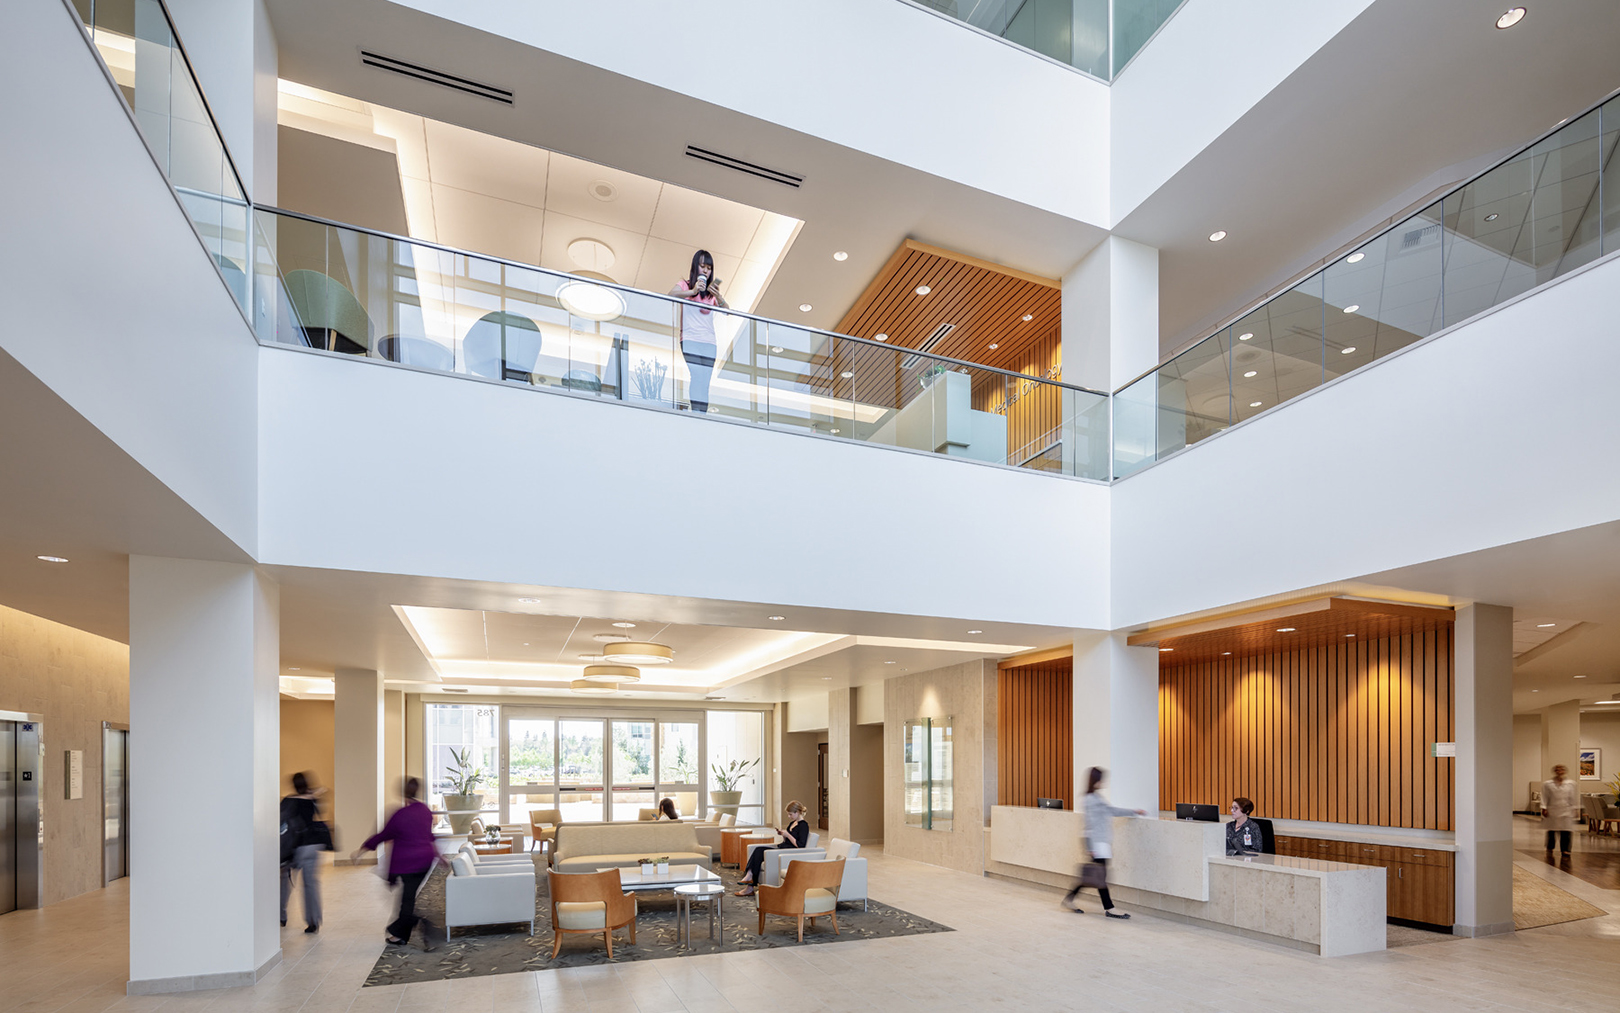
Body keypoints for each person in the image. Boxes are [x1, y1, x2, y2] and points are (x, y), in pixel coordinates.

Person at [353, 777, 441, 950]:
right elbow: (429, 836)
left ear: (403, 792)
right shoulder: (424, 810)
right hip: (424, 861)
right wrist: (439, 855)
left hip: (407, 863)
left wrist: (362, 850)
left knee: (406, 900)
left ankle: (423, 926)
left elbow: (383, 835)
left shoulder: (400, 815)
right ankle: (400, 935)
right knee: (407, 898)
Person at [1063, 766, 1145, 919]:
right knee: (1100, 877)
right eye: (1101, 779)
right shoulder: (1091, 800)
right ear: (1096, 780)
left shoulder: (1093, 797)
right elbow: (1091, 822)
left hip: (1101, 842)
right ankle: (1110, 908)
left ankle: (1070, 899)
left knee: (1096, 876)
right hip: (1097, 843)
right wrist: (1089, 846)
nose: (1103, 782)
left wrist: (1134, 812)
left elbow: (1108, 812)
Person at [668, 250, 728, 414]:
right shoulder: (685, 285)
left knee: (705, 380)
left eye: (709, 268)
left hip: (709, 342)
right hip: (689, 339)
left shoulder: (711, 294)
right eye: (702, 266)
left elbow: (727, 311)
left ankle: (702, 414)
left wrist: (719, 297)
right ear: (696, 267)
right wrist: (692, 292)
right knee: (696, 375)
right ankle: (697, 414)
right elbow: (670, 295)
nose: (706, 271)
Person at [279, 772, 329, 932]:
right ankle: (313, 921)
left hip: (293, 847)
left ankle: (280, 914)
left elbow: (280, 823)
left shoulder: (288, 801)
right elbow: (320, 809)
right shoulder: (313, 799)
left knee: (284, 879)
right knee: (310, 884)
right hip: (313, 846)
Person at [734, 800, 810, 896]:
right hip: (783, 847)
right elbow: (787, 841)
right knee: (758, 850)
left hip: (788, 852)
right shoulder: (792, 823)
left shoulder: (804, 826)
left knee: (759, 851)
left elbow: (800, 845)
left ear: (797, 812)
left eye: (790, 814)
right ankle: (749, 877)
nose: (789, 816)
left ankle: (749, 880)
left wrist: (788, 835)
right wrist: (783, 835)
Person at [1541, 764, 1580, 858]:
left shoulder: (1571, 784)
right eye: (1557, 770)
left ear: (1564, 771)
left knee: (1566, 830)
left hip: (1566, 809)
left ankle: (1565, 849)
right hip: (1552, 809)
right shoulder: (1547, 784)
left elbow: (1573, 797)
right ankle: (1550, 847)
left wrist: (1575, 808)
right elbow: (1544, 796)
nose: (1559, 771)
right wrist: (1544, 807)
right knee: (1551, 830)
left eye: (1561, 770)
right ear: (1554, 771)